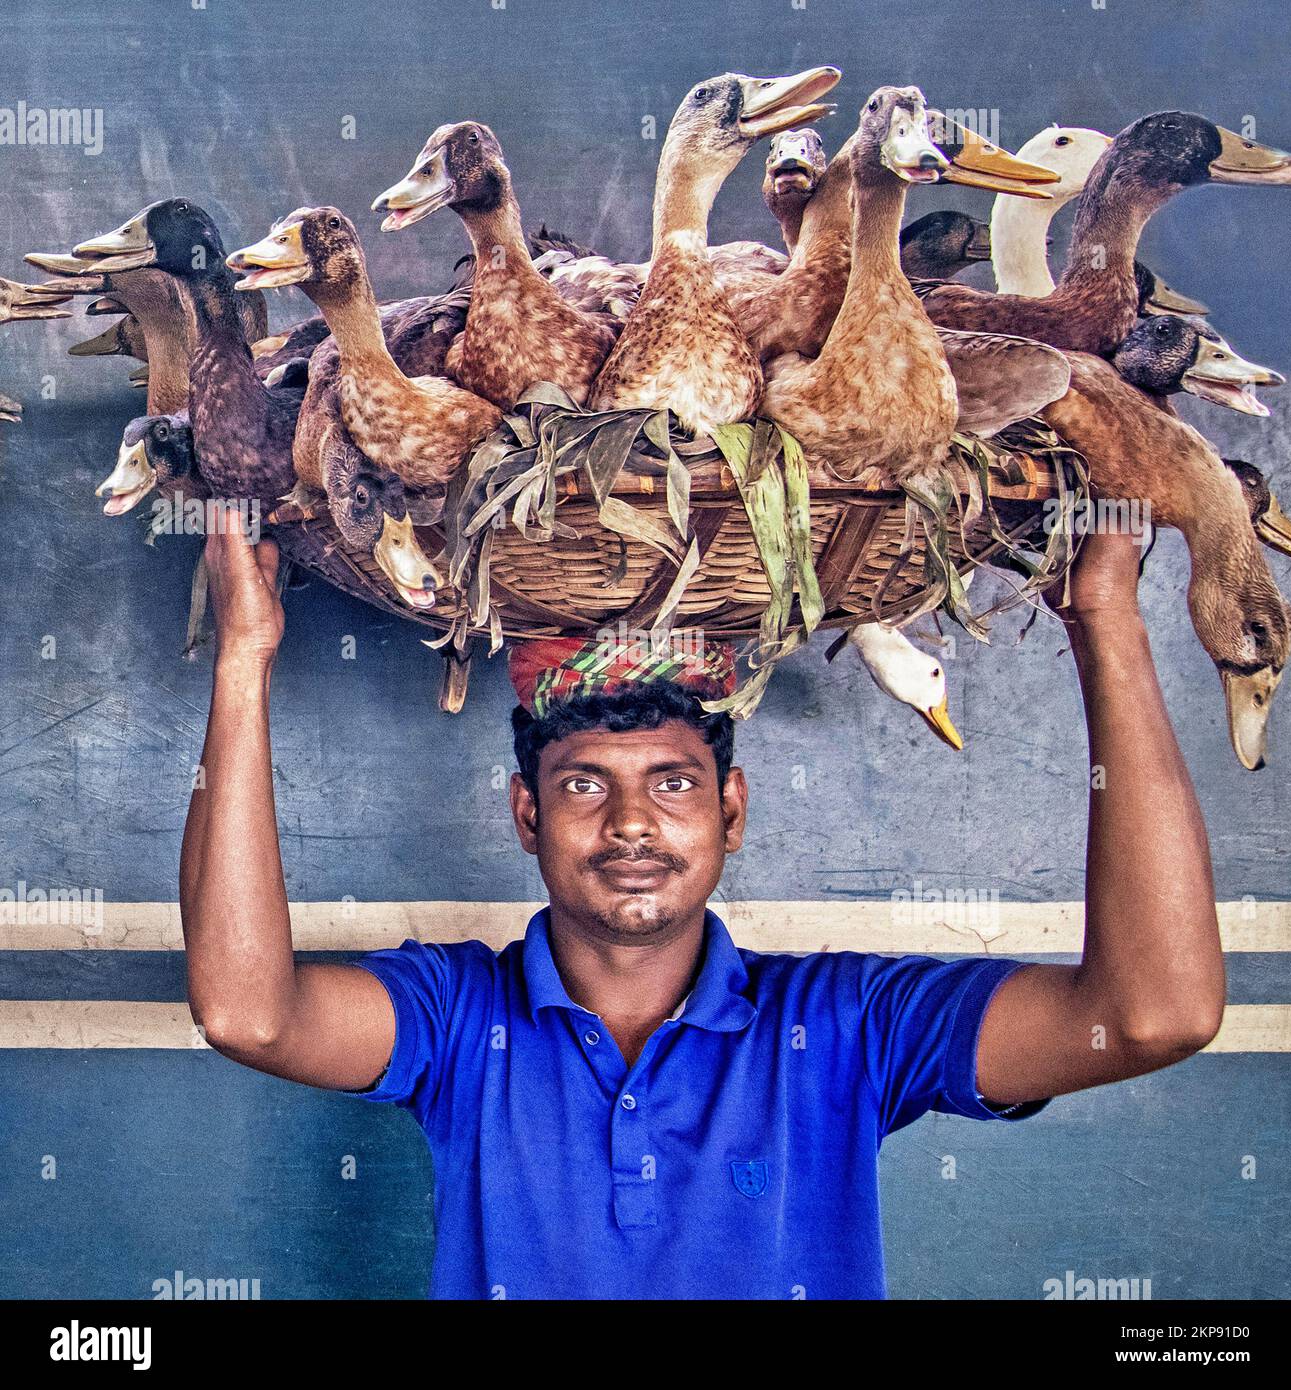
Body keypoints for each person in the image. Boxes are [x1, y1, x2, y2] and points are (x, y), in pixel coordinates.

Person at [180, 509, 1224, 1299]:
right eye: (584, 782)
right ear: (525, 814)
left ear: (730, 809)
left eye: (672, 783)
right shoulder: (461, 1016)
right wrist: (245, 654)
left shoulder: (847, 1026)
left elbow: (1155, 1014)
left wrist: (1109, 627)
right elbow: (246, 1012)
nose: (631, 824)